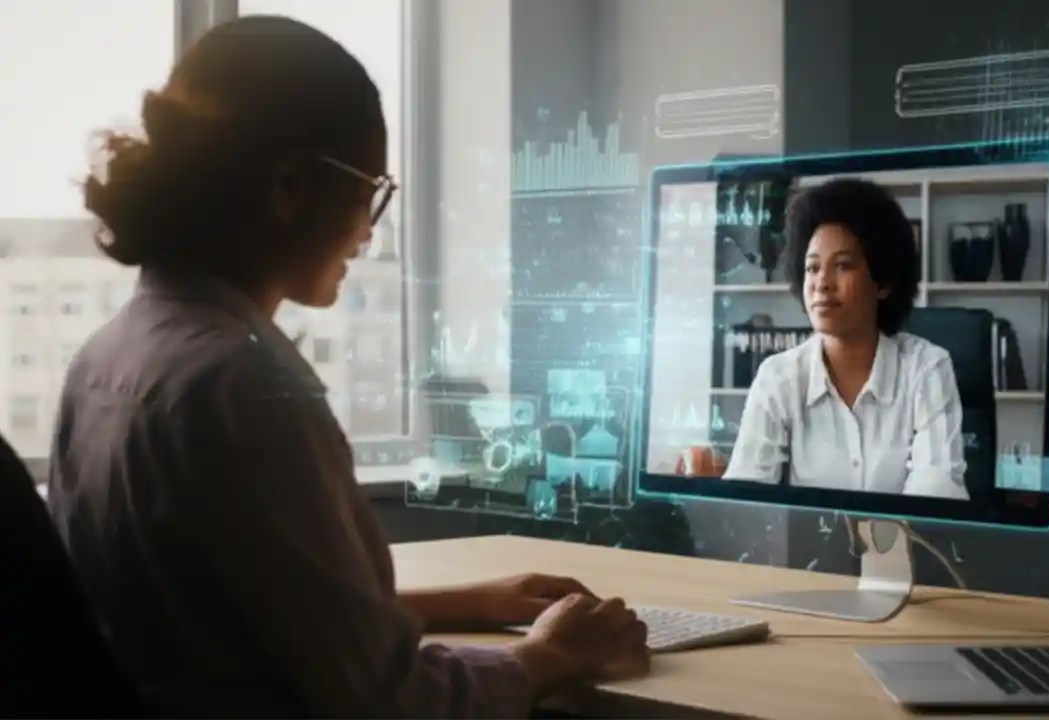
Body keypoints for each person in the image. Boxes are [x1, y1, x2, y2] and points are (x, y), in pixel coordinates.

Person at [47, 16, 646, 717]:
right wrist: (552, 656)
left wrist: (473, 602)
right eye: (370, 191)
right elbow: (390, 704)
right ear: (289, 186)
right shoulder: (242, 385)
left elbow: (239, 613)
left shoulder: (104, 359)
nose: (370, 230)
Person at [722, 178, 968, 499]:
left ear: (882, 282)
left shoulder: (926, 369)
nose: (822, 283)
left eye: (842, 265)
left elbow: (937, 495)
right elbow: (745, 499)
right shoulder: (778, 377)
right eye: (812, 268)